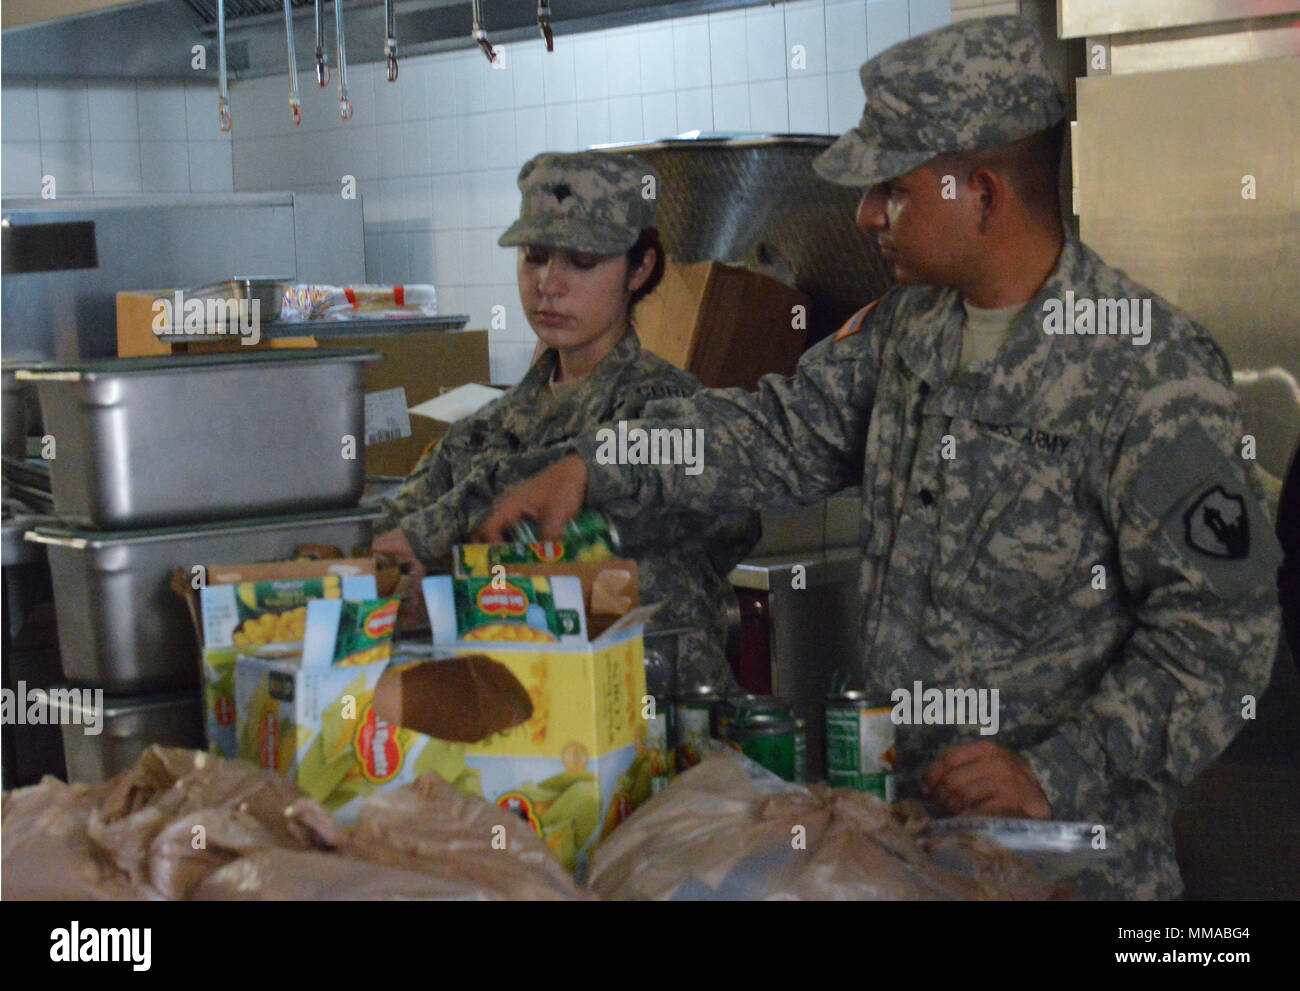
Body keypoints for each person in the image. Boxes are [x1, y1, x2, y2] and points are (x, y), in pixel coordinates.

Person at [478, 17, 1282, 900]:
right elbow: (777, 432)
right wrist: (594, 466)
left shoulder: (1146, 369)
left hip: (1069, 867)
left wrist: (1061, 768)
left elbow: (1222, 637)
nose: (864, 215)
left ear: (981, 194)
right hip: (906, 844)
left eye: (891, 190)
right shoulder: (909, 334)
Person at [372, 150, 760, 694]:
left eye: (581, 262)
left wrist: (436, 535)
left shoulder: (666, 410)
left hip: (652, 719)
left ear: (640, 269)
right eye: (535, 256)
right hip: (528, 716)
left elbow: (559, 503)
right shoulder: (488, 428)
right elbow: (393, 532)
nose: (548, 285)